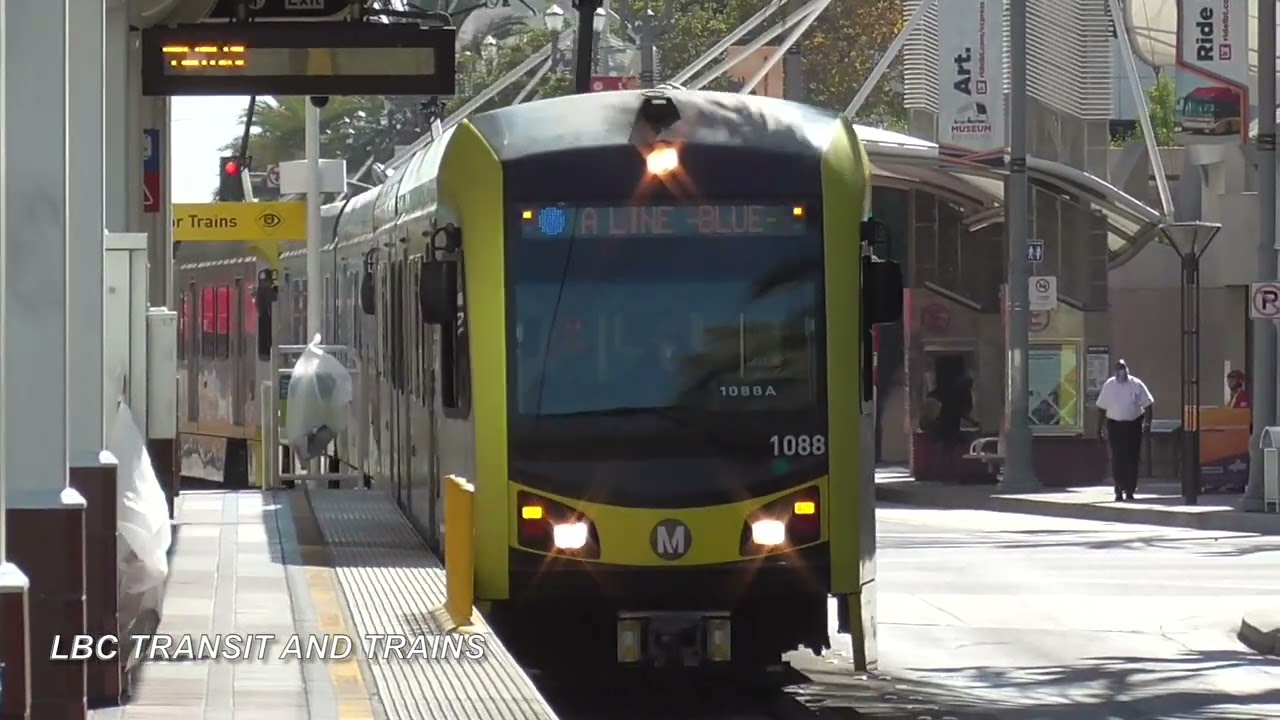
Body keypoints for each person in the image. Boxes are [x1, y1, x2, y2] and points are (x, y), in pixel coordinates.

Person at [1095, 359, 1154, 501]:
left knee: (1132, 458)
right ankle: (1119, 488)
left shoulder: (1136, 384)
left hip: (1133, 425)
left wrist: (1147, 424)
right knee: (1117, 457)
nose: (1121, 371)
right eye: (1118, 369)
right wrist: (1098, 429)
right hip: (1115, 426)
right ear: (1115, 371)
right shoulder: (1109, 385)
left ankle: (1130, 489)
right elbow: (1101, 408)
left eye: (1123, 368)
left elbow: (1148, 404)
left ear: (1127, 369)